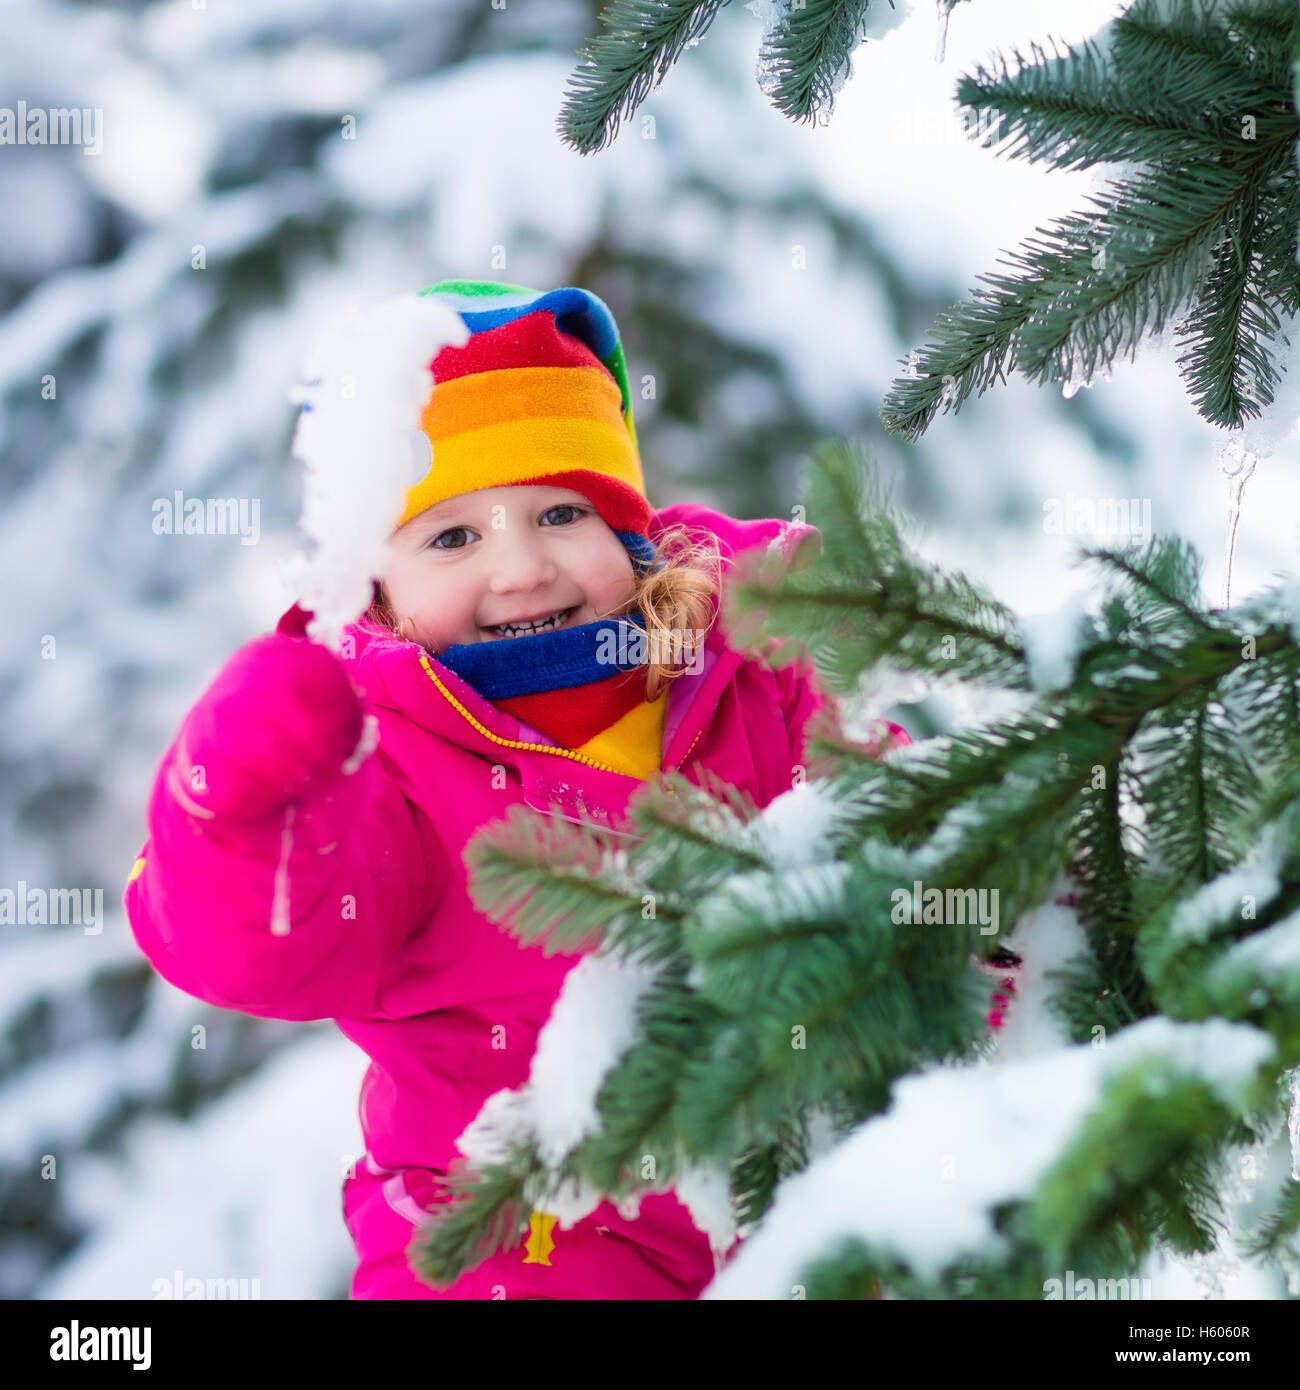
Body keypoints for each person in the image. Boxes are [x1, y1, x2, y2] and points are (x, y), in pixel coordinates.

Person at [123, 279, 912, 1300]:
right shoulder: (387, 760)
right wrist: (242, 793)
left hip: (805, 1202)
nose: (523, 568)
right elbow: (257, 942)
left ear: (629, 532)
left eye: (559, 511)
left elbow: (912, 846)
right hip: (521, 1241)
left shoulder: (755, 662)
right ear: (377, 588)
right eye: (452, 537)